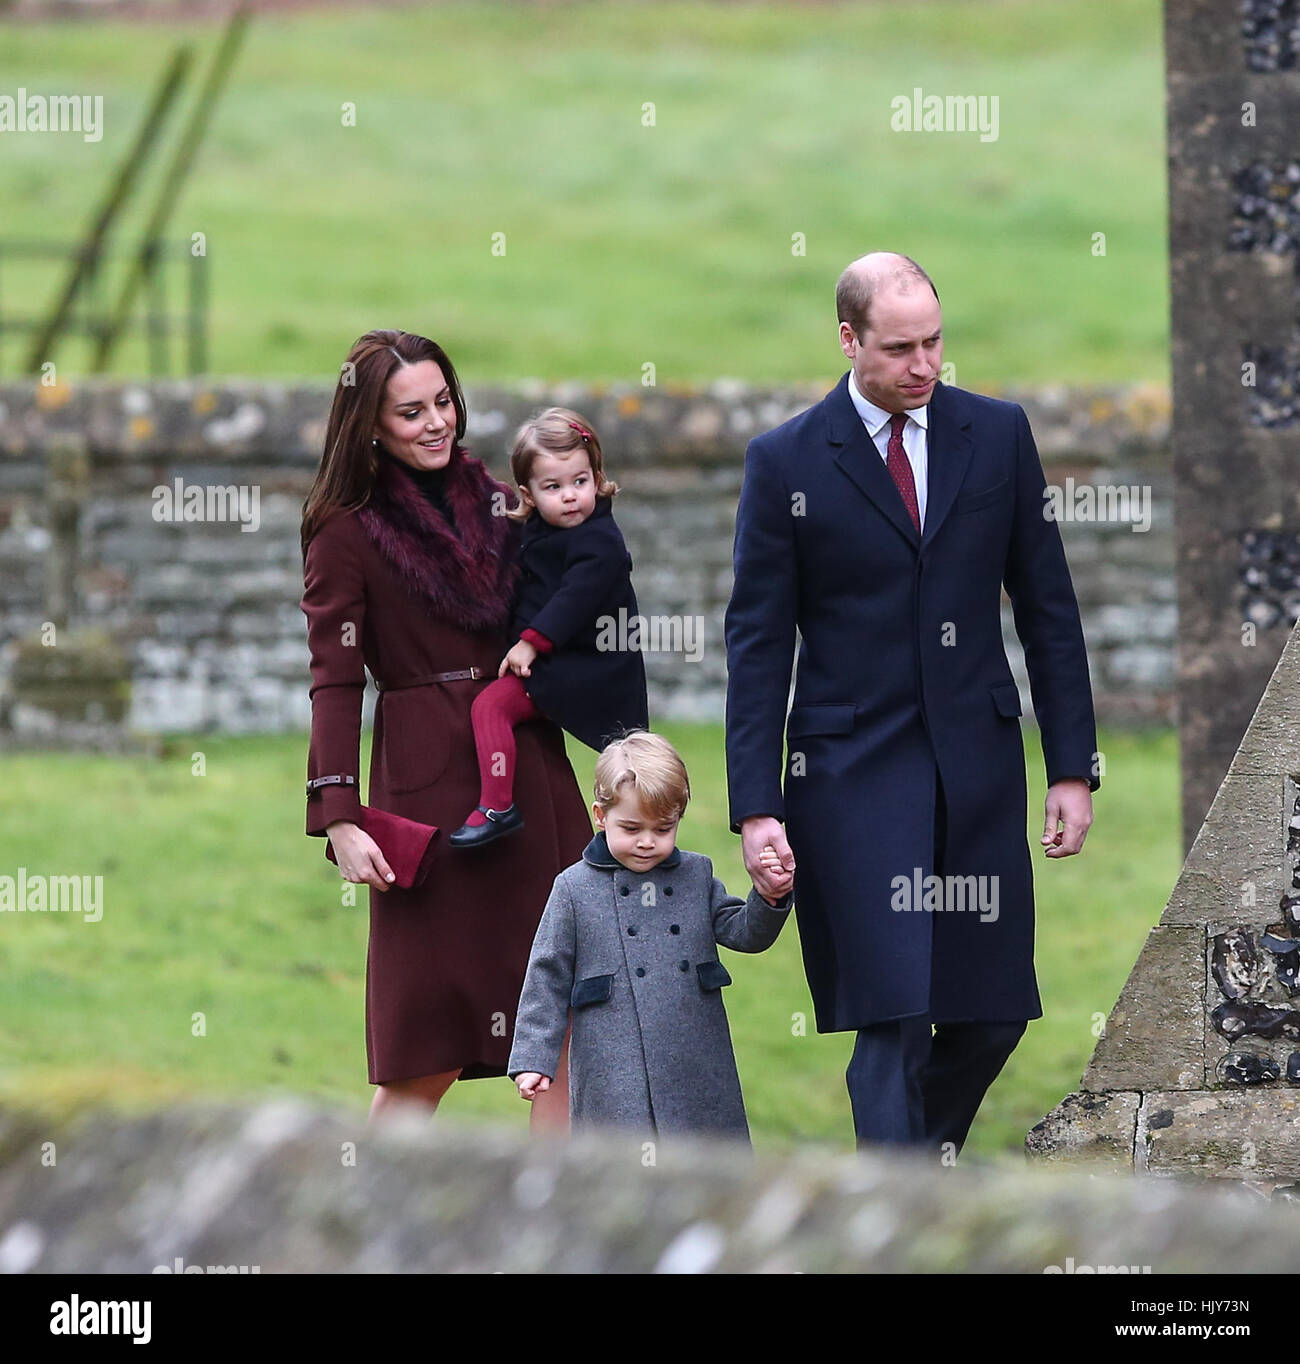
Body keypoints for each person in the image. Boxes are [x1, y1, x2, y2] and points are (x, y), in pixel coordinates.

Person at [724, 252, 1099, 1157]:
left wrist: (1072, 767)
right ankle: (899, 1230)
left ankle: (898, 1191)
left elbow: (1048, 607)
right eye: (899, 349)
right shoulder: (786, 462)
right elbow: (759, 641)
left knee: (993, 1014)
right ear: (848, 339)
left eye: (934, 342)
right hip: (847, 777)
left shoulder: (998, 435)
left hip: (976, 768)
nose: (923, 365)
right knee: (893, 1016)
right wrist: (755, 804)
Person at [299, 329, 593, 1127]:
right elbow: (334, 677)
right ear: (369, 425)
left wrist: (618, 745)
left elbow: (584, 602)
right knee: (423, 1048)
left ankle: (552, 1243)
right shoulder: (344, 528)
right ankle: (357, 1242)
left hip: (531, 777)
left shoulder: (506, 502)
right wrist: (340, 815)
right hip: (427, 798)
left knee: (565, 1031)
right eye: (410, 411)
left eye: (443, 401)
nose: (436, 422)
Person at [508, 730, 793, 1144]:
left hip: (695, 1059)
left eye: (663, 828)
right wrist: (534, 1059)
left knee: (705, 1166)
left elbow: (744, 933)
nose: (646, 841)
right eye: (631, 827)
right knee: (619, 1174)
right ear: (600, 816)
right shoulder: (573, 888)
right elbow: (546, 977)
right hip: (612, 1065)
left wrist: (769, 896)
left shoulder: (697, 875)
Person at [449, 408, 649, 847]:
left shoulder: (600, 543)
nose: (571, 496)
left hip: (587, 667)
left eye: (580, 481)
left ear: (596, 477)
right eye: (553, 487)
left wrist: (529, 644)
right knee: (627, 758)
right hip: (563, 661)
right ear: (529, 494)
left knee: (491, 708)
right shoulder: (540, 531)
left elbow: (573, 599)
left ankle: (497, 806)